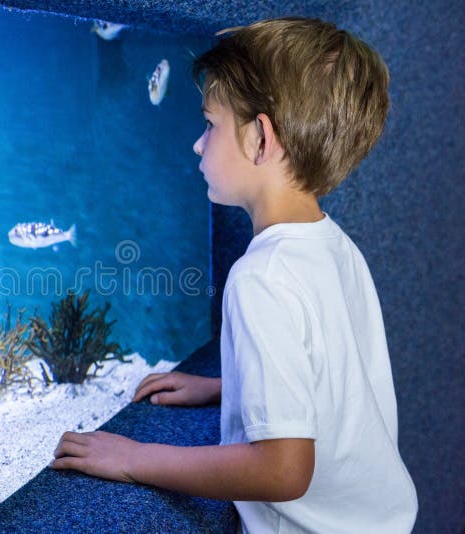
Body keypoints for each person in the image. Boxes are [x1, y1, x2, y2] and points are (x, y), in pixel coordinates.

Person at [51, 17, 418, 533]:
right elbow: (331, 374)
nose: (198, 145)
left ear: (261, 139)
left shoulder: (260, 276)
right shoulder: (335, 246)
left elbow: (284, 470)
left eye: (210, 124)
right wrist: (230, 386)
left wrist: (135, 458)